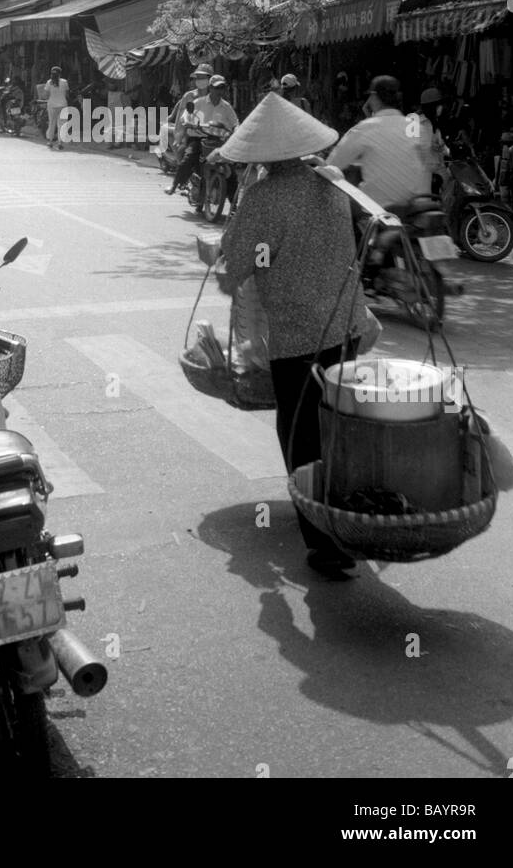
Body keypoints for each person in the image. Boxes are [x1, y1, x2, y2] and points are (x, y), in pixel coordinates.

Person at [218, 93, 368, 576]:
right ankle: (346, 514)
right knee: (337, 423)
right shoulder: (332, 180)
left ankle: (325, 541)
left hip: (298, 333)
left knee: (301, 433)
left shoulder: (264, 197)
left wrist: (230, 264)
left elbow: (235, 262)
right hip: (346, 323)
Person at [326, 74, 429, 210]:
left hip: (378, 210)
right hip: (417, 208)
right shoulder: (414, 126)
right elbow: (423, 160)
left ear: (374, 97)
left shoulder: (365, 128)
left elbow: (333, 165)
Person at [166, 75, 238, 195]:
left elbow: (235, 122)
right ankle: (174, 185)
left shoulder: (226, 107)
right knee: (188, 159)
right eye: (217, 88)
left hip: (219, 141)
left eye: (222, 88)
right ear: (210, 88)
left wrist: (236, 130)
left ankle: (234, 207)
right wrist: (187, 122)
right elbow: (185, 116)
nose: (220, 91)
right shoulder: (198, 102)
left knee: (230, 171)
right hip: (199, 139)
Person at [416, 87, 449, 194]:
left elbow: (442, 148)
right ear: (431, 107)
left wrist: (444, 148)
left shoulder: (435, 123)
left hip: (439, 170)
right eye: (439, 105)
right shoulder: (414, 123)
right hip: (423, 174)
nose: (442, 108)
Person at [173, 62, 213, 142]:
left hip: (211, 136)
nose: (200, 80)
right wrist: (179, 137)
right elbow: (180, 119)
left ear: (209, 79)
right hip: (191, 137)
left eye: (203, 78)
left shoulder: (214, 97)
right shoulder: (189, 96)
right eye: (198, 77)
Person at [45, 65, 69, 149]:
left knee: (51, 123)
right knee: (61, 124)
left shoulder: (49, 82)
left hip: (52, 105)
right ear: (60, 74)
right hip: (63, 105)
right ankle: (60, 143)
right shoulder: (64, 82)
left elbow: (46, 95)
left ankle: (50, 141)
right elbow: (66, 94)